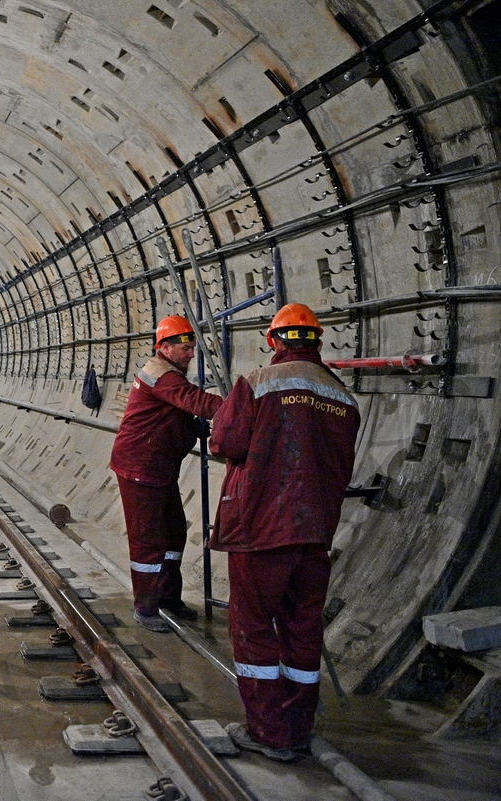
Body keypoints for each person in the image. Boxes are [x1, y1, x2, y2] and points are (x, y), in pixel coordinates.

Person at [208, 303, 359, 762]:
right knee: (302, 627)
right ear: (317, 341)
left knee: (253, 627)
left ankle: (268, 731)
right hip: (315, 531)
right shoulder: (342, 395)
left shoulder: (257, 382)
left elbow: (224, 443)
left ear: (274, 341)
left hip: (261, 526)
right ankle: (297, 725)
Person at [110, 315, 223, 632]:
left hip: (158, 467)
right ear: (164, 347)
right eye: (185, 349)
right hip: (140, 467)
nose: (191, 355)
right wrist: (242, 407)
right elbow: (195, 401)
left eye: (193, 349)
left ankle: (168, 598)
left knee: (174, 533)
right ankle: (146, 608)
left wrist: (188, 427)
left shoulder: (169, 372)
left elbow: (176, 411)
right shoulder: (163, 375)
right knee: (148, 540)